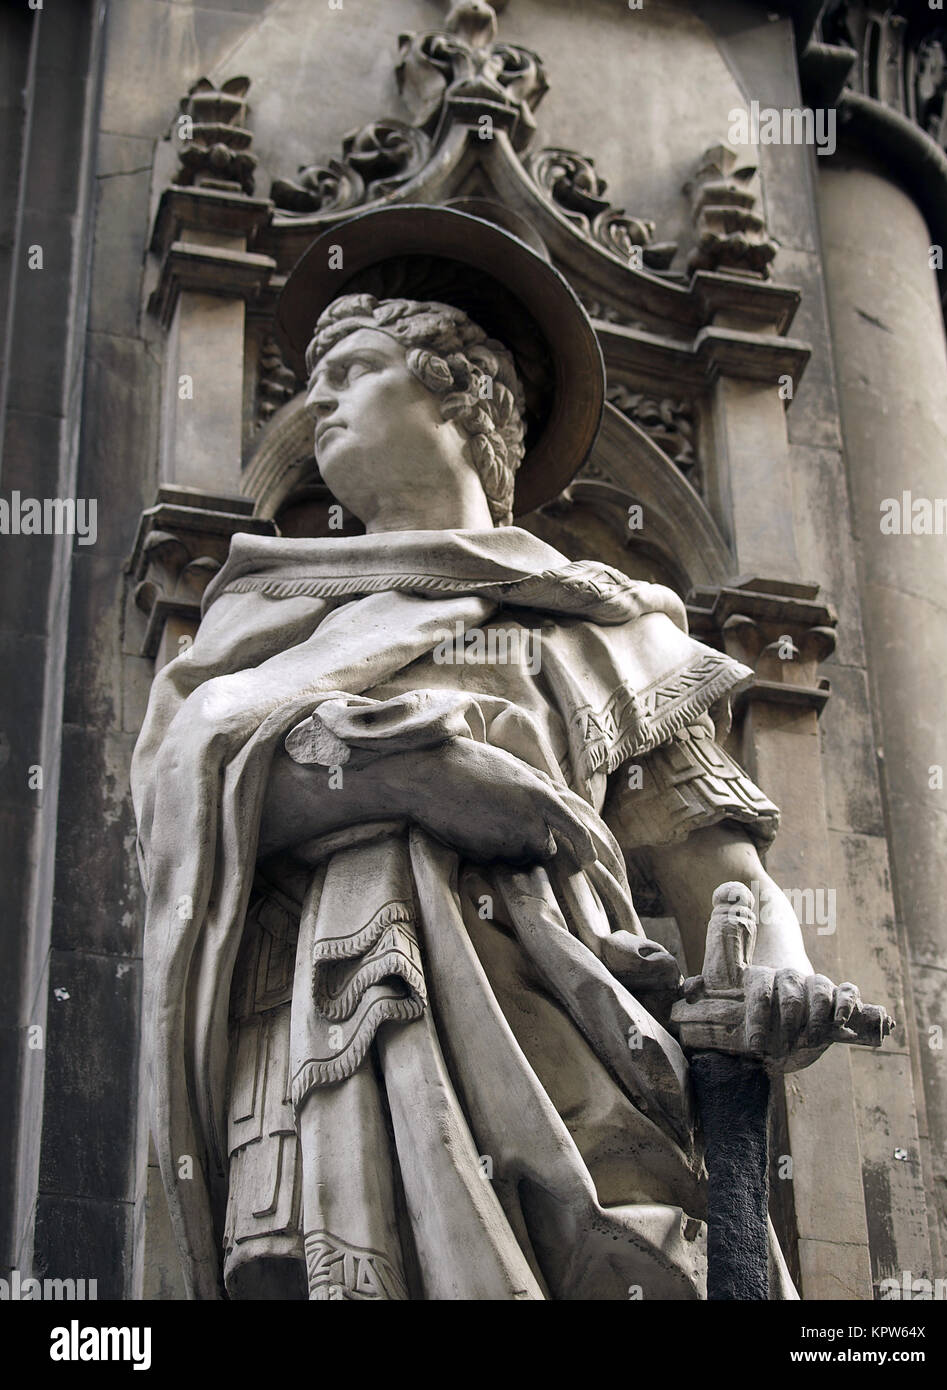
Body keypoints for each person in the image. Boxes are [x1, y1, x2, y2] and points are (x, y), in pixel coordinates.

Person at [132, 285, 860, 1302]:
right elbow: (179, 807)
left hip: (559, 1017)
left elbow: (731, 880)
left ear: (464, 396)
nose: (316, 409)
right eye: (310, 387)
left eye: (352, 374)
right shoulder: (269, 616)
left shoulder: (603, 631)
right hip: (321, 1025)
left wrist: (780, 969)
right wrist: (413, 781)